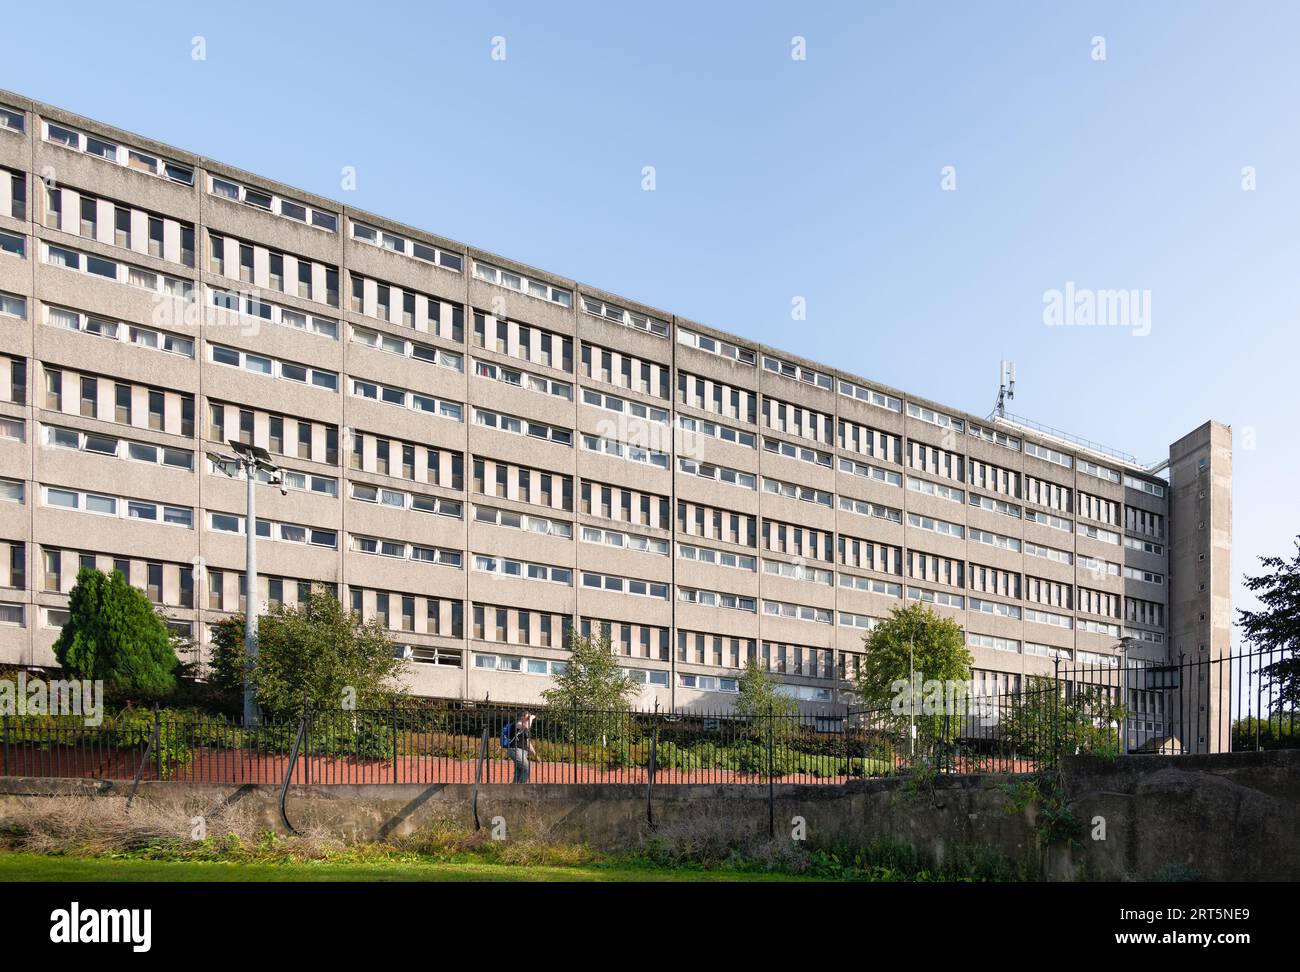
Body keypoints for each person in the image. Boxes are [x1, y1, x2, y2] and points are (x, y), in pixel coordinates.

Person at [509, 711, 536, 783]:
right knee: (525, 767)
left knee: (519, 771)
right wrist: (531, 718)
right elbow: (527, 727)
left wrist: (535, 754)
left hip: (523, 752)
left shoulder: (524, 730)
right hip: (515, 750)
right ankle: (521, 787)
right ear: (522, 717)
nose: (528, 719)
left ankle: (514, 788)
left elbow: (527, 743)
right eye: (527, 717)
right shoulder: (517, 724)